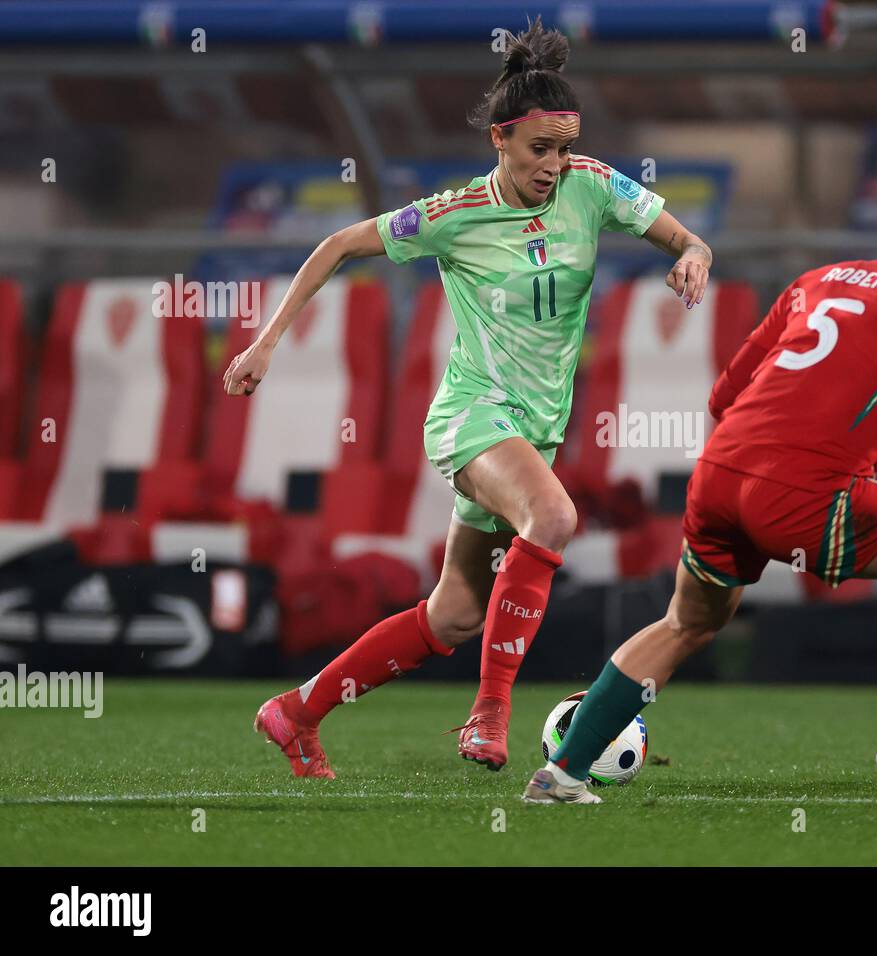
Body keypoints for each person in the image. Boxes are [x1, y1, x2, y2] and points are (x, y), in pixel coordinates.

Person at [228, 18, 713, 778]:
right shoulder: (454, 217)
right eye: (538, 150)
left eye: (562, 147)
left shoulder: (591, 185)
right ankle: (489, 714)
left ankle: (296, 711)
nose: (553, 164)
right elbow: (337, 246)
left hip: (535, 432)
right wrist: (266, 341)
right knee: (554, 516)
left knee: (453, 613)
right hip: (472, 418)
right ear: (501, 140)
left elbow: (687, 239)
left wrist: (693, 258)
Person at [523, 175, 877, 807]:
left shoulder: (820, 279)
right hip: (804, 497)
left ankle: (563, 774)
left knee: (685, 622)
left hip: (718, 479)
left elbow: (723, 396)